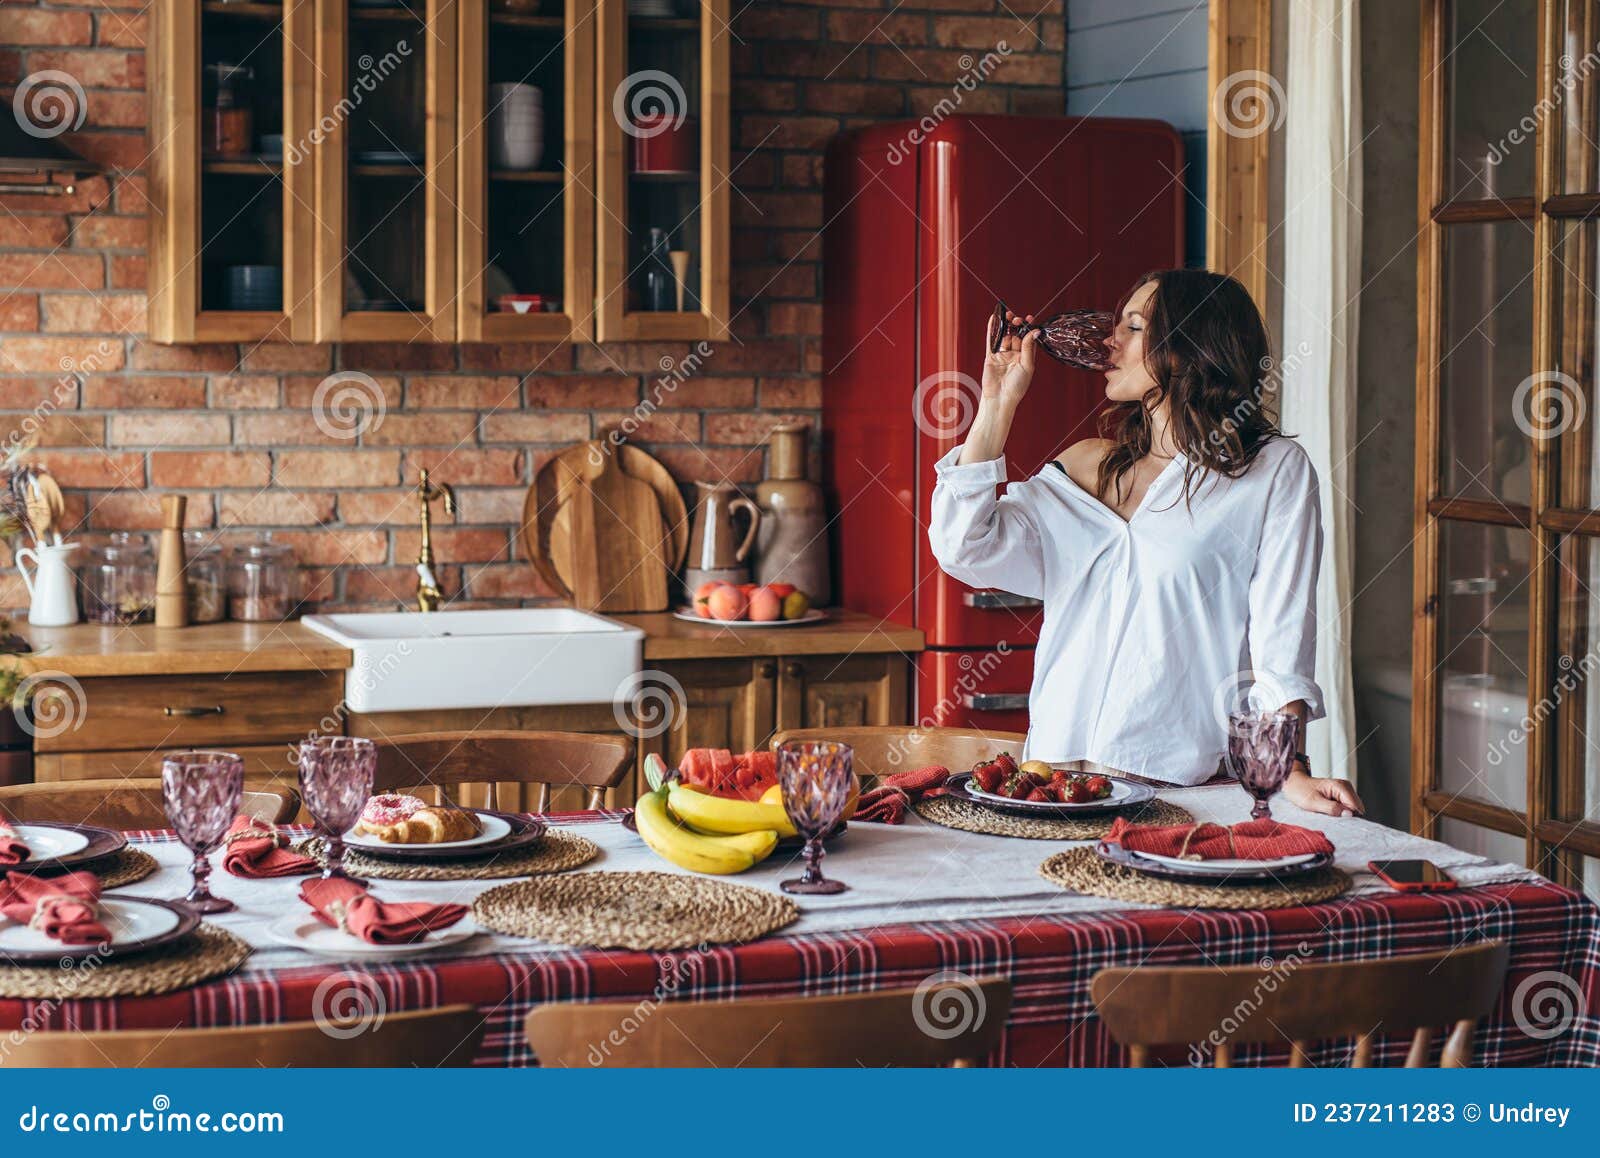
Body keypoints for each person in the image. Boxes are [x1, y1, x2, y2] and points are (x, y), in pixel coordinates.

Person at [929, 269, 1362, 816]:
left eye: (1134, 326)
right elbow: (961, 546)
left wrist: (1288, 770)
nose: (1111, 340)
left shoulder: (1270, 472)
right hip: (1054, 787)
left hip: (1184, 793)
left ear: (1190, 346)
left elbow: (1281, 635)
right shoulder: (1085, 465)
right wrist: (997, 404)